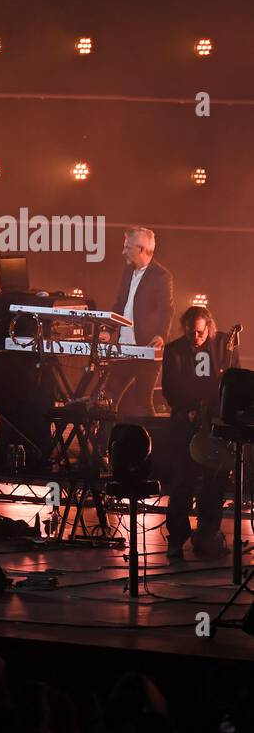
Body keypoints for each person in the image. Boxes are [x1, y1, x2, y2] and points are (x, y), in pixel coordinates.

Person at [161, 305, 236, 561]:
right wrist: (187, 409)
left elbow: (231, 383)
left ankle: (207, 536)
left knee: (213, 483)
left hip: (214, 428)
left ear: (209, 328)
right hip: (185, 426)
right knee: (182, 482)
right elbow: (169, 388)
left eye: (200, 333)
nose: (196, 337)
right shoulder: (174, 350)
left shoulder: (223, 345)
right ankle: (176, 539)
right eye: (191, 332)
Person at [105, 227, 172, 416]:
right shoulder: (128, 272)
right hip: (125, 347)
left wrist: (160, 334)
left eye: (127, 247)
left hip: (147, 348)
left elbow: (166, 309)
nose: (123, 251)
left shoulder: (161, 276)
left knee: (143, 403)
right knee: (108, 399)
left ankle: (152, 444)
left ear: (141, 249)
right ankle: (106, 444)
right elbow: (119, 304)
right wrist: (108, 331)